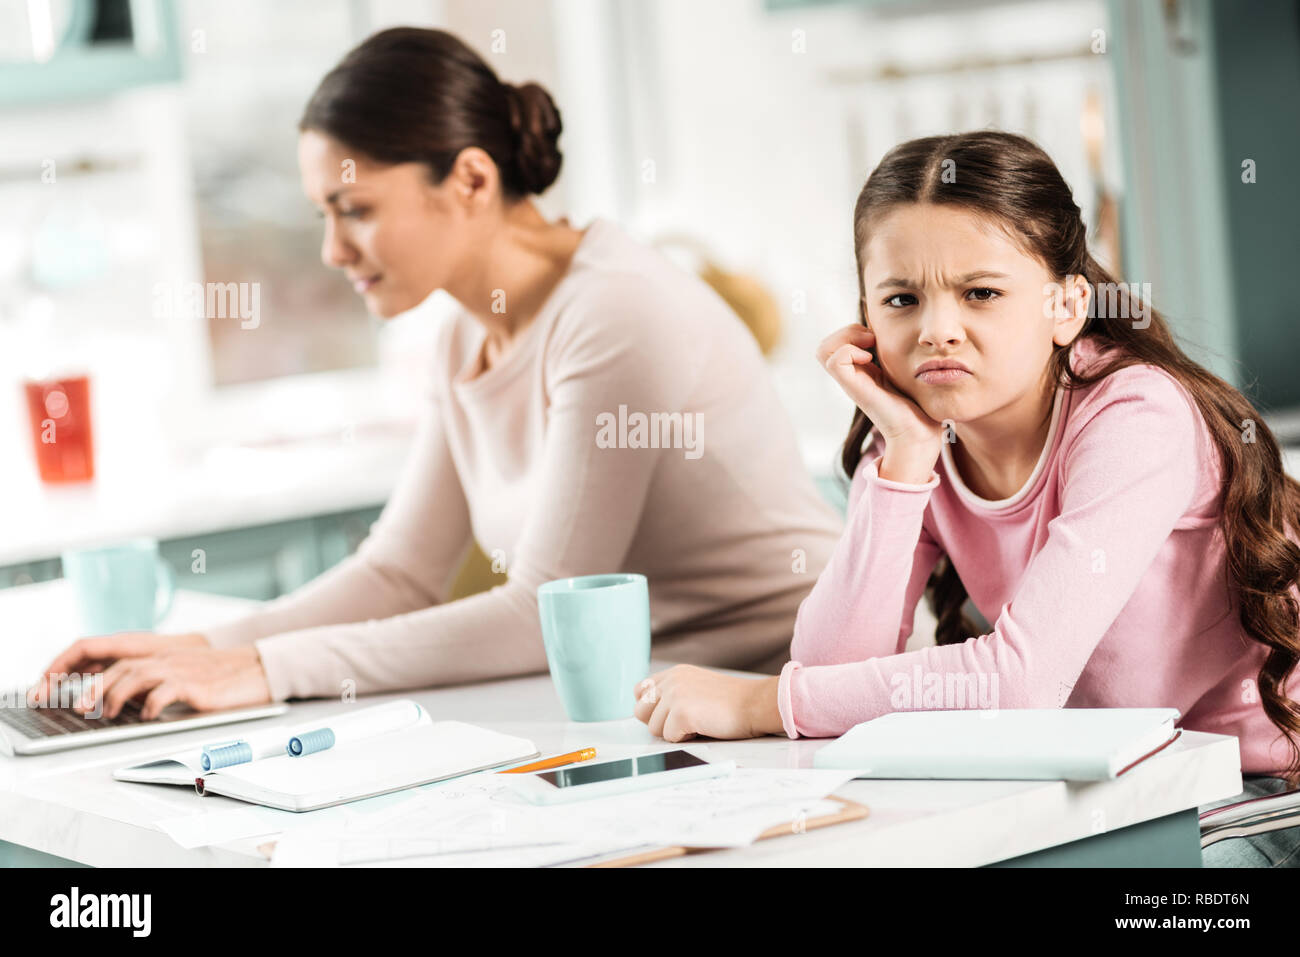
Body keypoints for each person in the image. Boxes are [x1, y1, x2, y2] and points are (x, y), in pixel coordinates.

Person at [30, 27, 840, 719]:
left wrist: (269, 670)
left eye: (356, 210)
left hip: (797, 694)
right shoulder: (468, 333)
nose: (332, 250)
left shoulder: (613, 313)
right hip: (671, 706)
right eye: (324, 215)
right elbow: (400, 571)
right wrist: (203, 647)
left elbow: (536, 615)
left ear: (473, 180)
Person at [632, 131, 1300, 867]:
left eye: (980, 292)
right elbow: (826, 667)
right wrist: (906, 459)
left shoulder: (1138, 415)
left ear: (1066, 306)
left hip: (1257, 788)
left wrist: (757, 702)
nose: (936, 330)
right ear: (866, 318)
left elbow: (1019, 682)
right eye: (901, 299)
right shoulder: (914, 444)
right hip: (1109, 788)